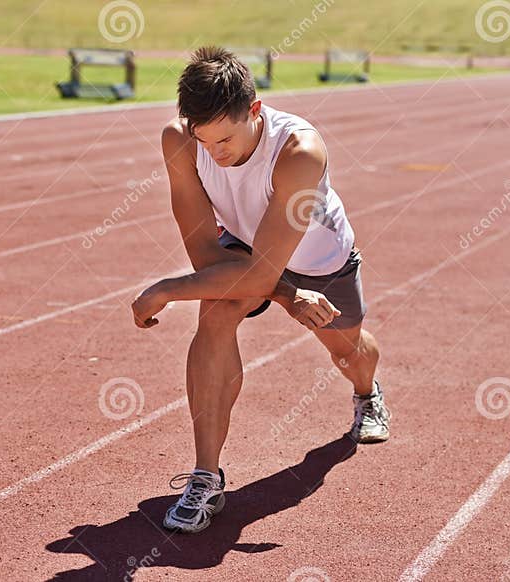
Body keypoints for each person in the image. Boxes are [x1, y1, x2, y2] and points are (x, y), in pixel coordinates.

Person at [131, 46, 391, 534]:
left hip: (318, 260)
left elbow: (262, 274)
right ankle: (205, 476)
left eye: (225, 140)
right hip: (243, 250)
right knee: (214, 315)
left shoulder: (298, 153)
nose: (216, 154)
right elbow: (207, 255)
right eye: (205, 142)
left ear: (254, 111)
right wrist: (286, 297)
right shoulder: (181, 141)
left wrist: (166, 289)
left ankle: (366, 392)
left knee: (348, 351)